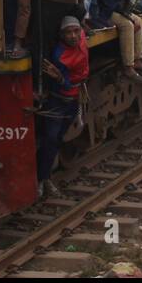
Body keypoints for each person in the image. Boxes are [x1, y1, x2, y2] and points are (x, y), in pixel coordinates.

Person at [35, 18, 90, 200]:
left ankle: (44, 177)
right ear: (61, 36)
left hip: (74, 99)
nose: (74, 36)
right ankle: (42, 178)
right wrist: (59, 79)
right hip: (60, 101)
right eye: (68, 33)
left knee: (57, 138)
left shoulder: (82, 37)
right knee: (50, 138)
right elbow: (64, 85)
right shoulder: (59, 56)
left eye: (76, 31)